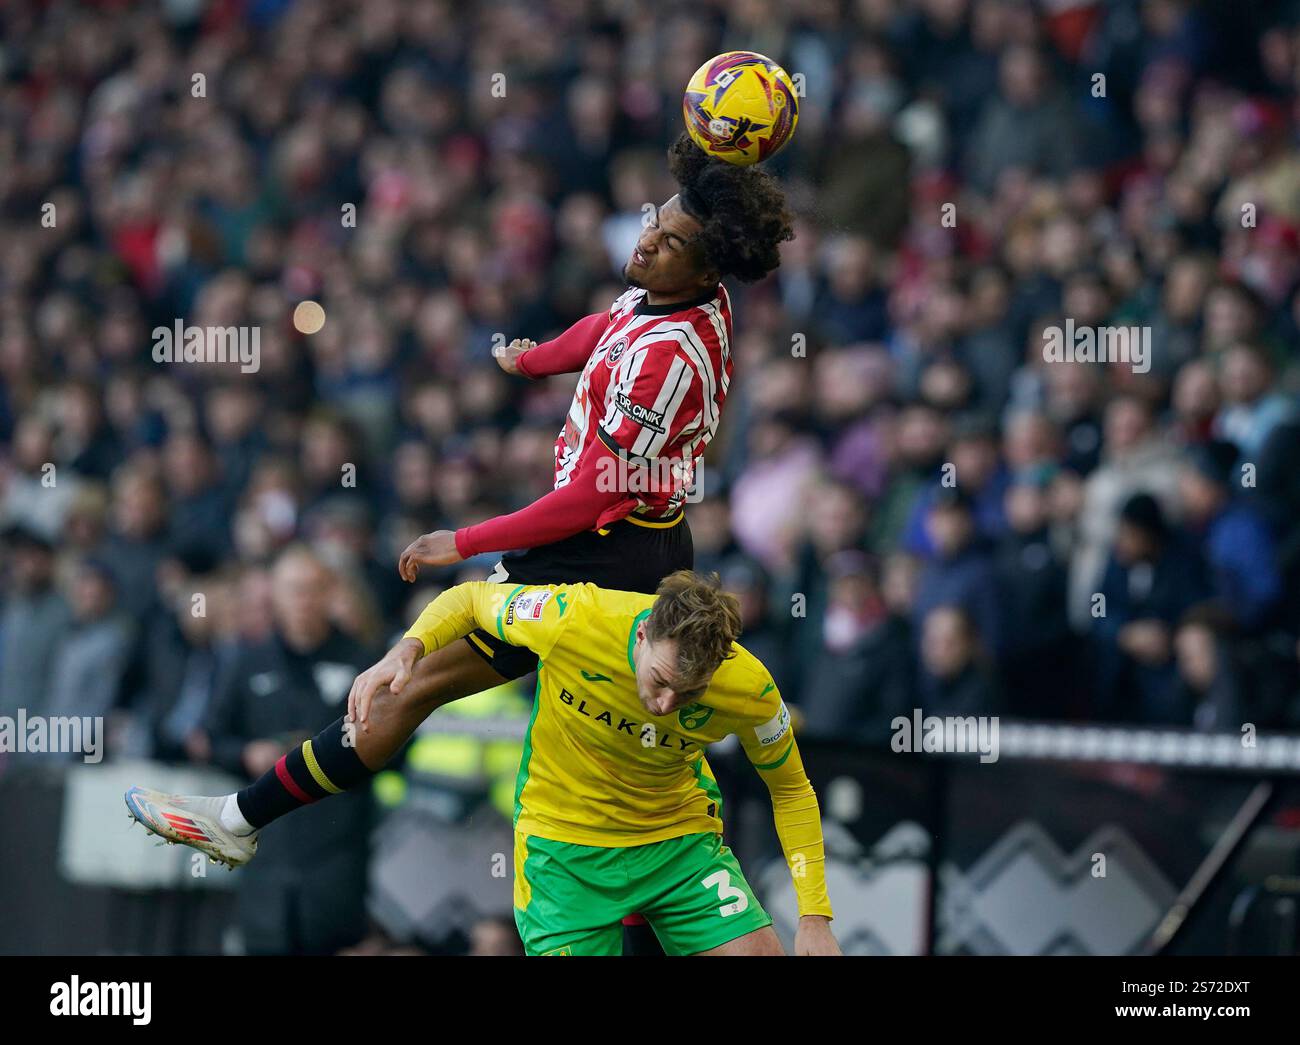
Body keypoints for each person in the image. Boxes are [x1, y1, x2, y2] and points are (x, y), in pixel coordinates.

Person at [127, 571, 839, 956]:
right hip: (566, 852)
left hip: (678, 845)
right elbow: (469, 596)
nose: (664, 703)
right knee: (408, 694)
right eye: (657, 680)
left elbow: (793, 790)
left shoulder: (750, 687)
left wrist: (815, 917)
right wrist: (406, 644)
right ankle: (241, 814)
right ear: (643, 630)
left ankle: (238, 817)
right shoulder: (576, 616)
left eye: (685, 693)